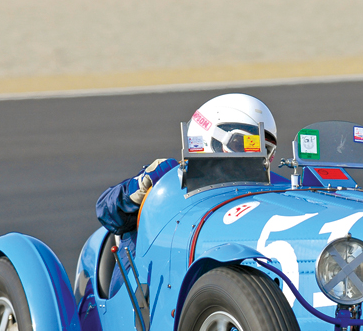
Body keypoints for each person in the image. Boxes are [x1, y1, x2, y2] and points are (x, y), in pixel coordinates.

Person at [95, 93, 279, 296]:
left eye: (264, 150)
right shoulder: (166, 176)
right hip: (151, 290)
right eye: (244, 144)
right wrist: (139, 186)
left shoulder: (267, 189)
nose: (256, 156)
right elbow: (106, 212)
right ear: (213, 138)